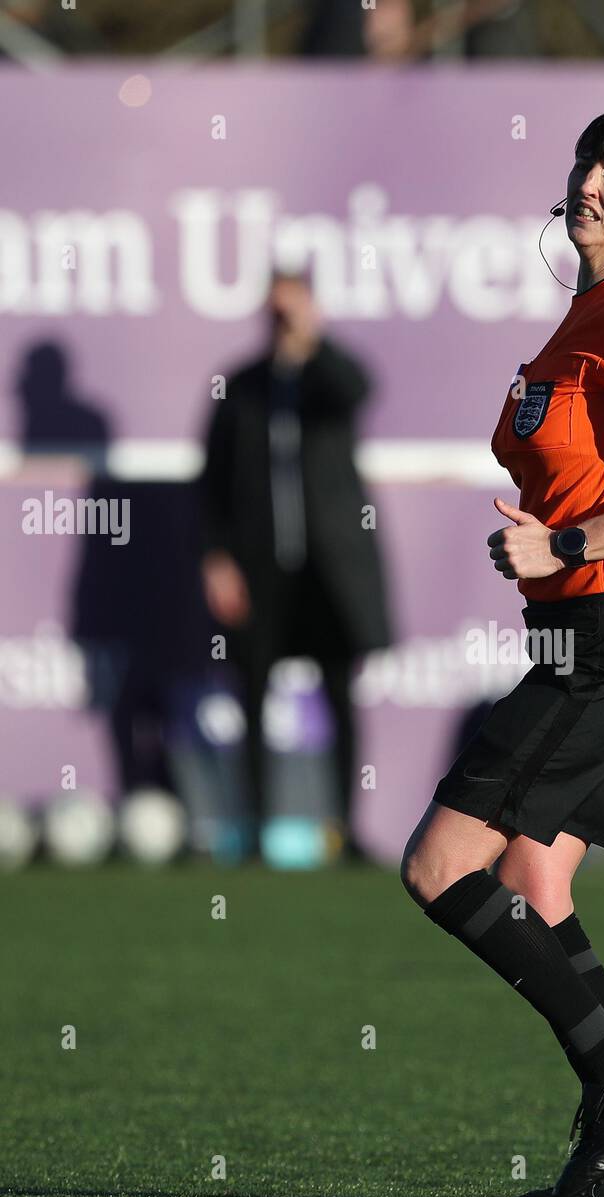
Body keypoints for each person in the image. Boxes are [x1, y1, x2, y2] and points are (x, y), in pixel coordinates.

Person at [401, 91, 604, 1197]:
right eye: (591, 155)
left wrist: (565, 541)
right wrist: (554, 538)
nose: (591, 178)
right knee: (534, 874)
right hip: (597, 627)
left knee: (440, 865)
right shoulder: (592, 307)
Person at [200, 270, 392, 859]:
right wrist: (218, 560)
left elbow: (358, 392)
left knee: (338, 692)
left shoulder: (327, 377)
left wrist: (311, 339)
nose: (282, 319)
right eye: (277, 310)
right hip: (262, 569)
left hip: (327, 568)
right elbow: (211, 484)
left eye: (294, 308)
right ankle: (255, 829)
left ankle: (346, 829)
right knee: (252, 693)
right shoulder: (241, 388)